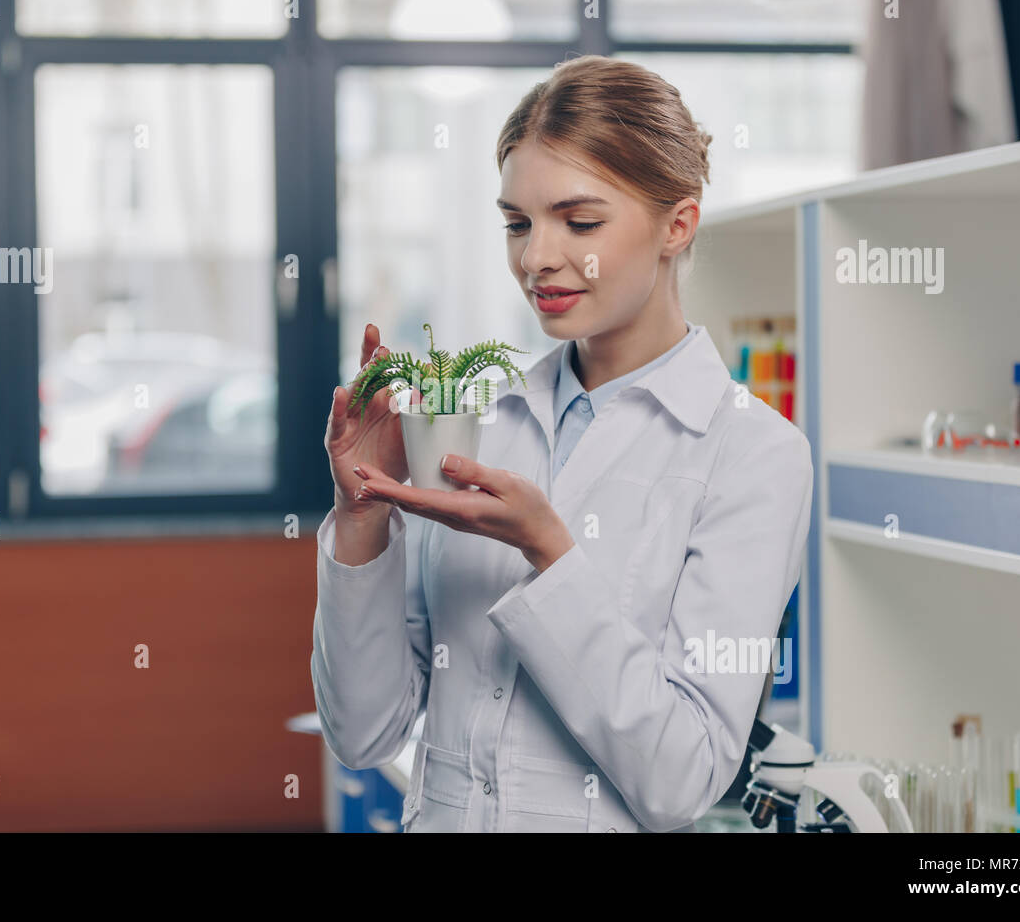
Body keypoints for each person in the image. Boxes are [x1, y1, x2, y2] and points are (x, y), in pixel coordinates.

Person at [311, 55, 813, 832]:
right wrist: (364, 516)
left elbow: (683, 779)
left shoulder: (751, 453)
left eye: (579, 222)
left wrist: (553, 556)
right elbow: (364, 733)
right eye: (517, 222)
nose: (535, 257)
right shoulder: (480, 424)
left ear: (678, 224)